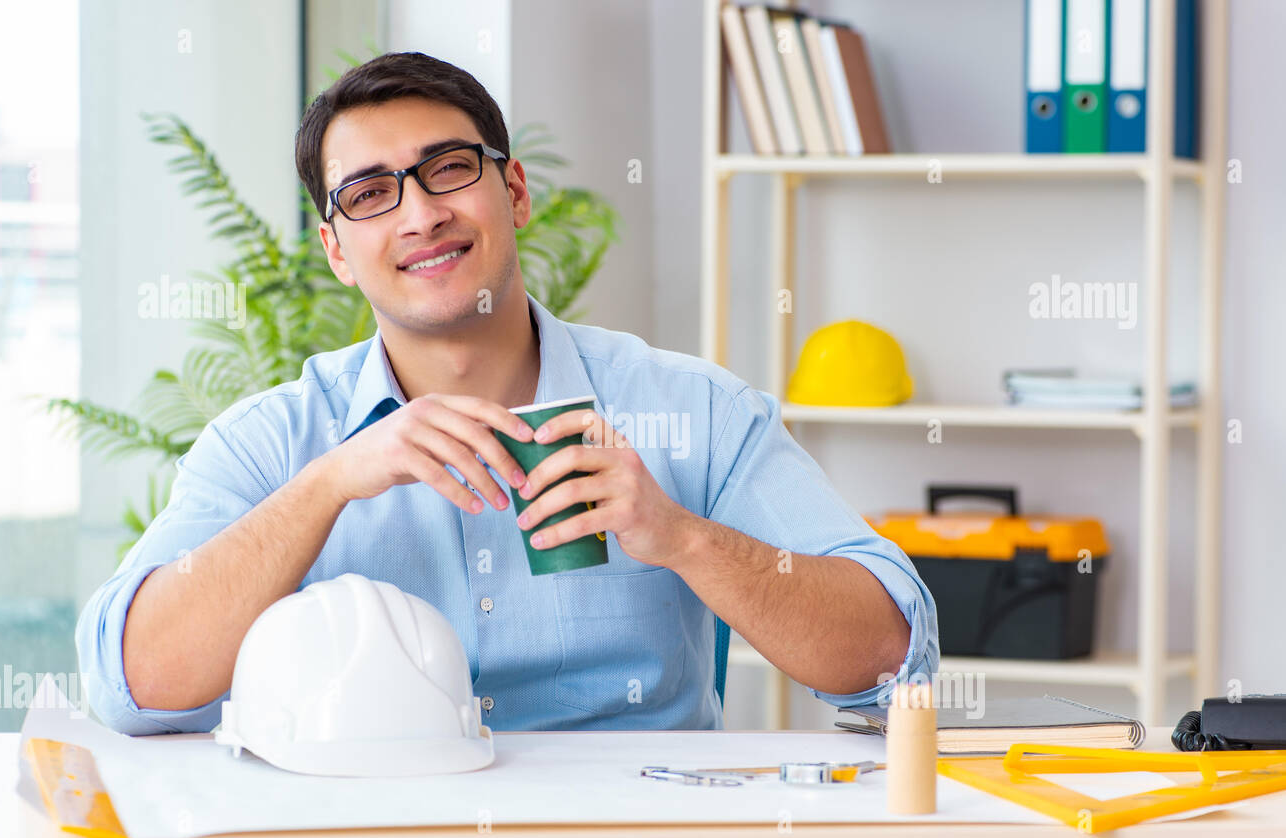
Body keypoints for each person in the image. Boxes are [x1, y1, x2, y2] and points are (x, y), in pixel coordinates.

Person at [75, 52, 938, 735]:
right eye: (370, 194)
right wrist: (331, 482)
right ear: (337, 251)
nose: (419, 216)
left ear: (514, 191)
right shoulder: (270, 443)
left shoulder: (695, 409)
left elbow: (893, 656)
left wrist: (677, 535)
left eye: (448, 169)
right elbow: (134, 684)